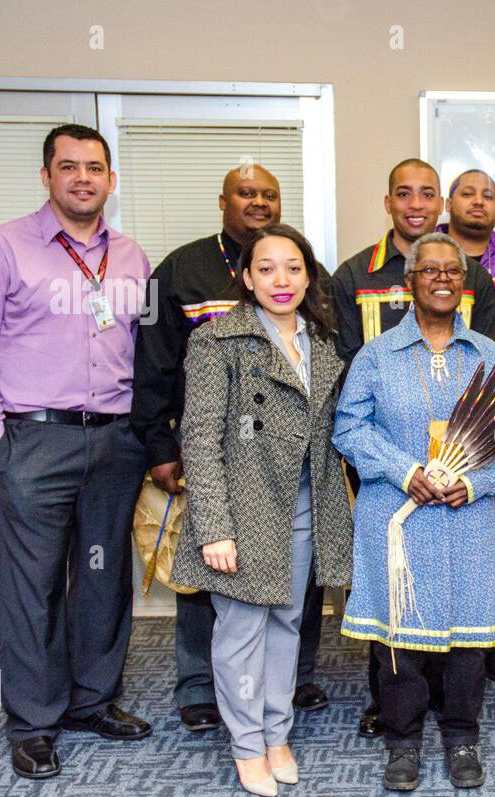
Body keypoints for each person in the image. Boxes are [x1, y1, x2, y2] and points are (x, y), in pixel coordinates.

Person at [0, 124, 152, 779]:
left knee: (102, 576)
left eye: (95, 168)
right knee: (32, 585)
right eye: (69, 167)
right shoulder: (1, 248)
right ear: (47, 176)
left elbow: (140, 349)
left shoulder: (130, 257)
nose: (83, 178)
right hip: (35, 438)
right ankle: (34, 721)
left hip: (114, 440)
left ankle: (93, 701)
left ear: (110, 180)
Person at [131, 164, 336, 734]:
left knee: (289, 600)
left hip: (292, 481)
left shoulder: (313, 316)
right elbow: (152, 363)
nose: (259, 202)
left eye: (269, 194)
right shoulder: (181, 268)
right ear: (222, 200)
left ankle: (286, 692)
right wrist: (160, 444)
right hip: (216, 461)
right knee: (215, 591)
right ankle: (201, 689)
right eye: (247, 193)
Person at [170, 224, 353, 797]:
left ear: (308, 277)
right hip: (242, 512)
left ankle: (278, 734)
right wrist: (214, 528)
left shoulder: (320, 344)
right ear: (247, 278)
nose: (281, 280)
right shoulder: (218, 341)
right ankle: (247, 744)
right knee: (240, 633)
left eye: (293, 268)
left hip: (306, 505)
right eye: (267, 268)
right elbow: (199, 440)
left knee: (288, 626)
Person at [333, 232, 495, 791]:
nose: (442, 278)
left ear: (464, 285)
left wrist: (473, 480)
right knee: (399, 633)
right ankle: (402, 741)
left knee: (467, 635)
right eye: (429, 270)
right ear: (408, 282)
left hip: (467, 514)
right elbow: (349, 427)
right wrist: (404, 471)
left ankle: (462, 735)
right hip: (396, 514)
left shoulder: (488, 356)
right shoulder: (376, 355)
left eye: (453, 272)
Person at [439, 169, 495, 685]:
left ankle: (494, 645)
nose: (478, 201)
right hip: (429, 422)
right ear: (449, 203)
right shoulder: (426, 261)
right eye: (467, 193)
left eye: (488, 194)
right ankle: (435, 648)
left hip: (493, 422)